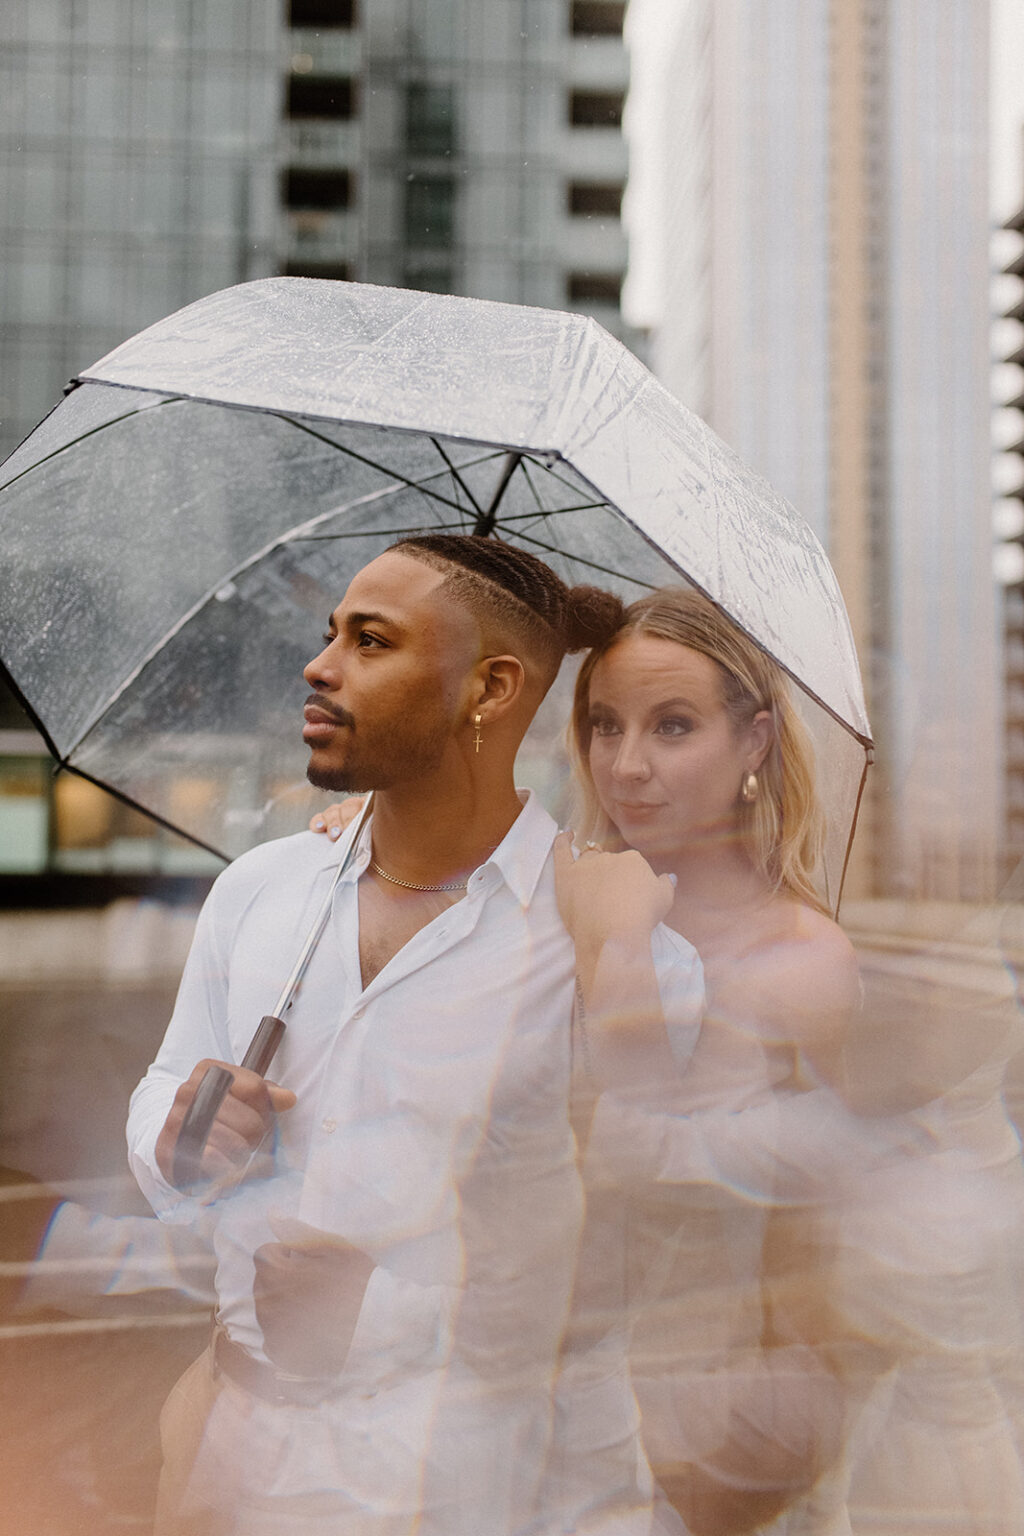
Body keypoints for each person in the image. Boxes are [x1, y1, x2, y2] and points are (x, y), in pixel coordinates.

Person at [125, 535, 705, 1536]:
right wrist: (180, 1138)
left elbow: (630, 1269)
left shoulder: (617, 953)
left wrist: (382, 1304)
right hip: (232, 1452)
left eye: (371, 641)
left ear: (490, 688)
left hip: (460, 1482)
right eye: (331, 634)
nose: (319, 666)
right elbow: (167, 1085)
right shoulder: (262, 889)